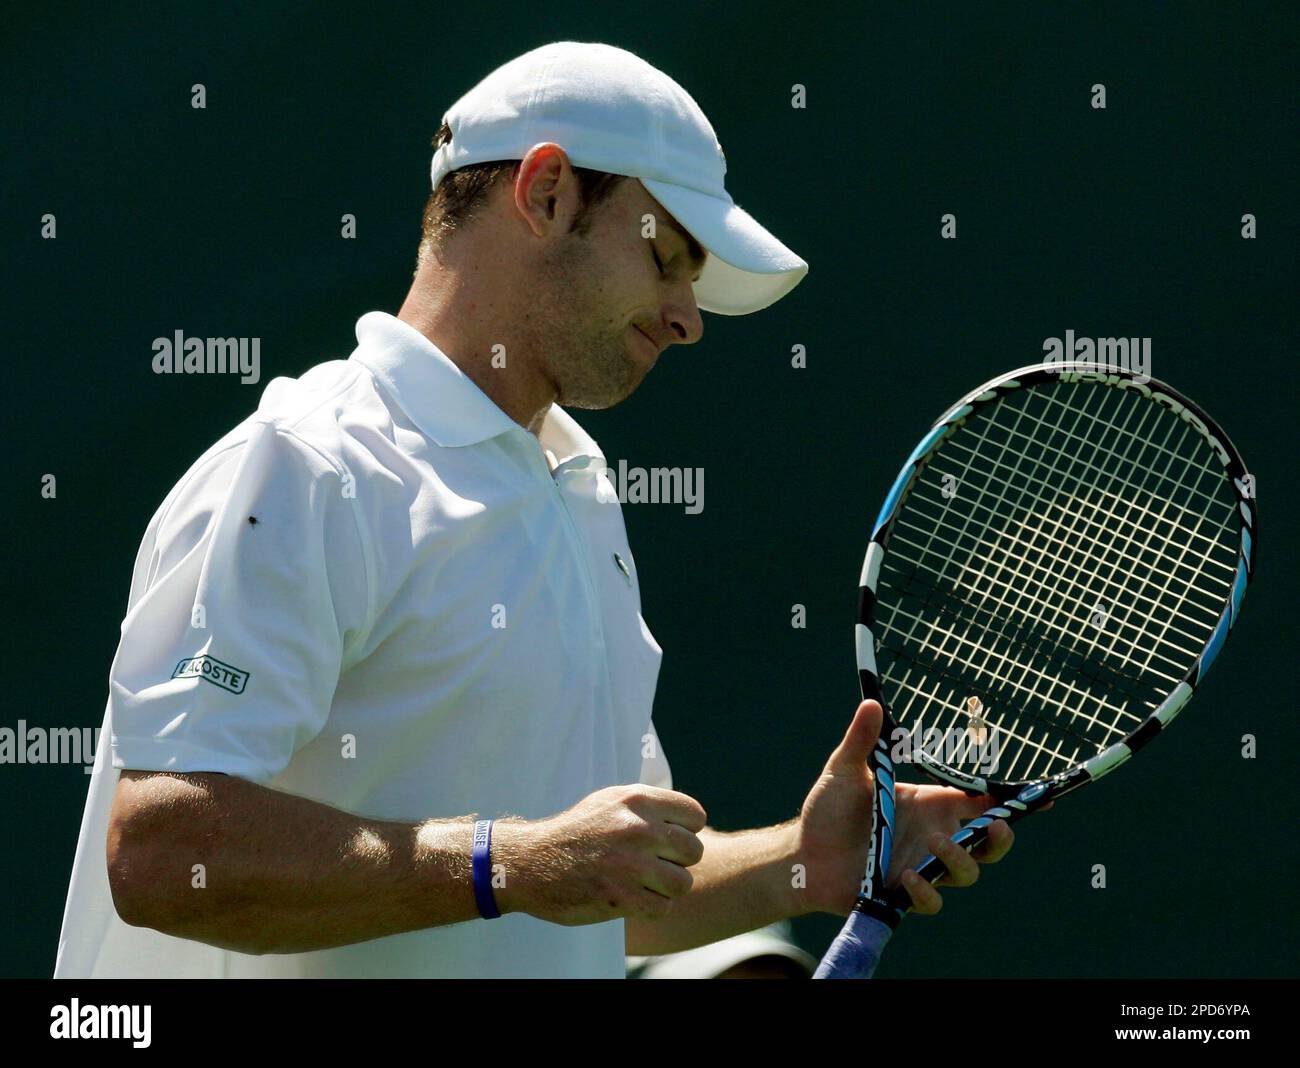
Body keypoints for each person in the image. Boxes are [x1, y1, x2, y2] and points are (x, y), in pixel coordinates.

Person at [54, 41, 1013, 979]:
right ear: (547, 193)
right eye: (668, 258)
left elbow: (596, 894)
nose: (687, 316)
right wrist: (505, 861)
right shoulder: (310, 464)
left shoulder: (576, 489)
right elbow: (161, 851)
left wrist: (801, 863)